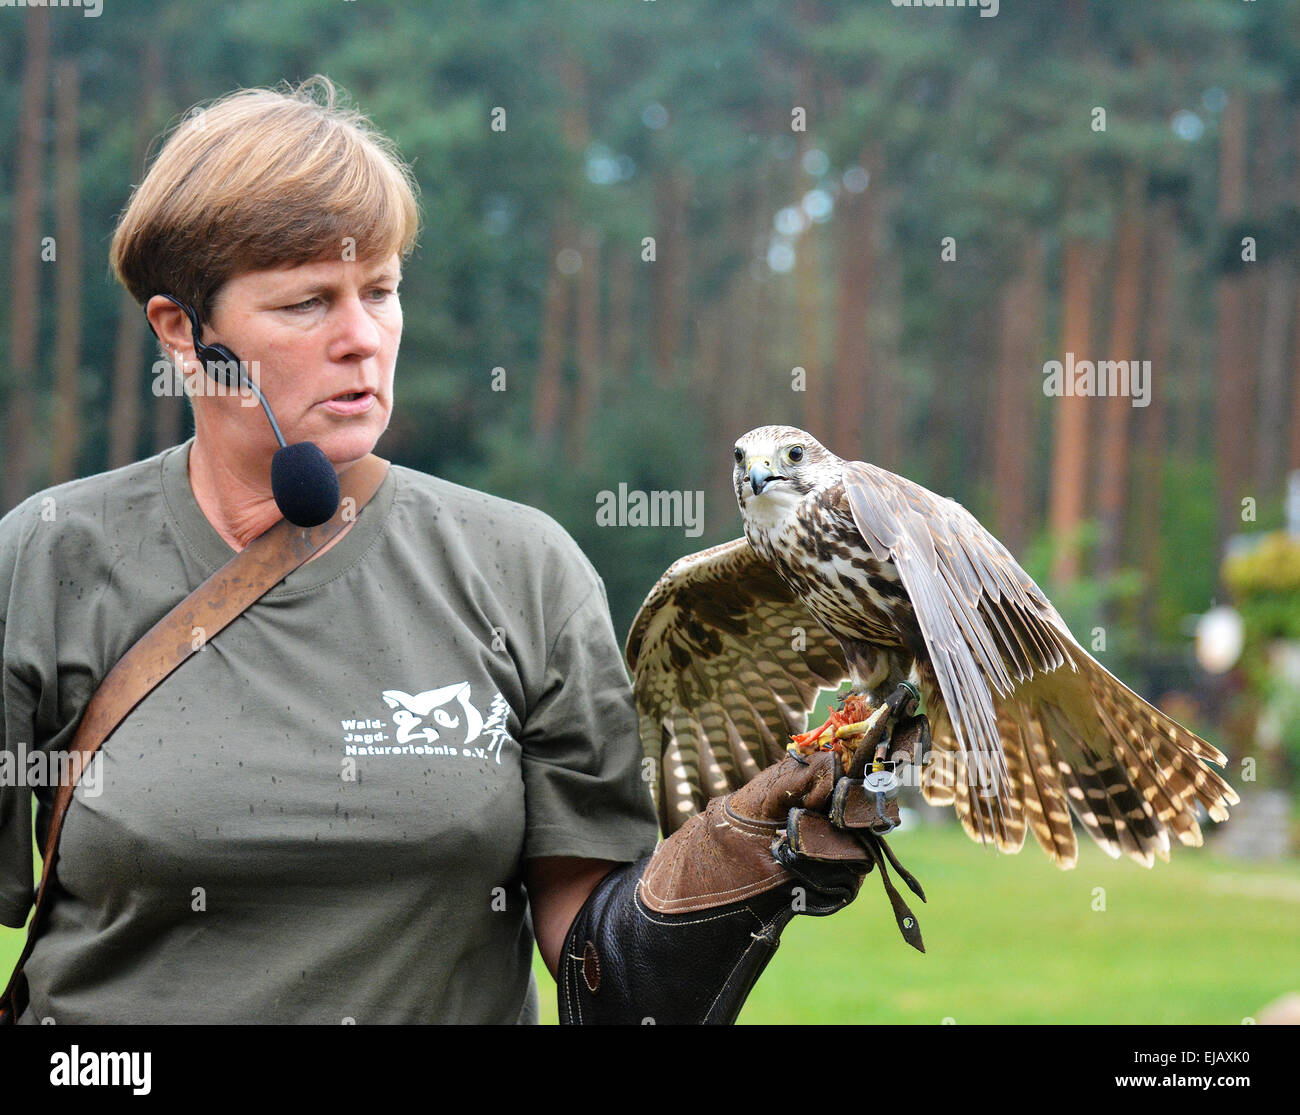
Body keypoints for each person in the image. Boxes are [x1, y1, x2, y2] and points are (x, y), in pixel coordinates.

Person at [0, 77, 872, 1026]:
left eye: (380, 291)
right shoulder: (49, 560)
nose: (362, 339)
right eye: (306, 304)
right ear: (184, 332)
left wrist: (744, 871)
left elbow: (600, 968)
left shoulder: (520, 569)